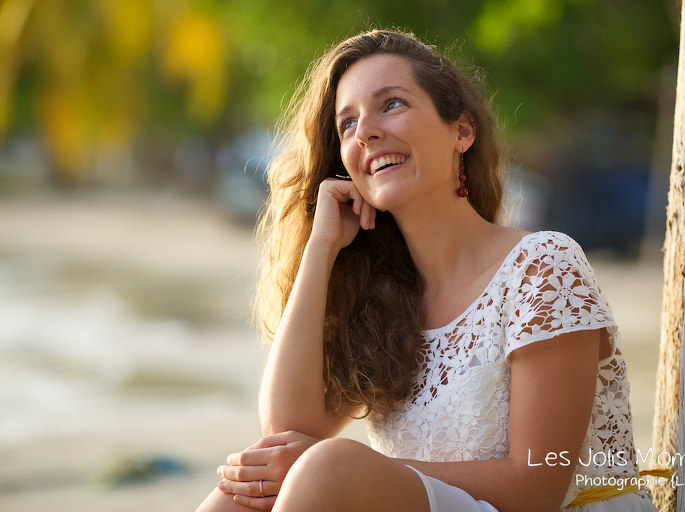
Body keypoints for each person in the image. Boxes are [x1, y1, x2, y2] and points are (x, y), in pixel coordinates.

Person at [196, 29, 658, 512]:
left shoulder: (543, 267)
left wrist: (351, 470)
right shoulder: (382, 301)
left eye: (391, 104)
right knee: (240, 495)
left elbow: (536, 488)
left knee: (326, 466)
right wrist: (322, 246)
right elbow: (285, 434)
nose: (365, 131)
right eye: (347, 123)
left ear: (462, 131)